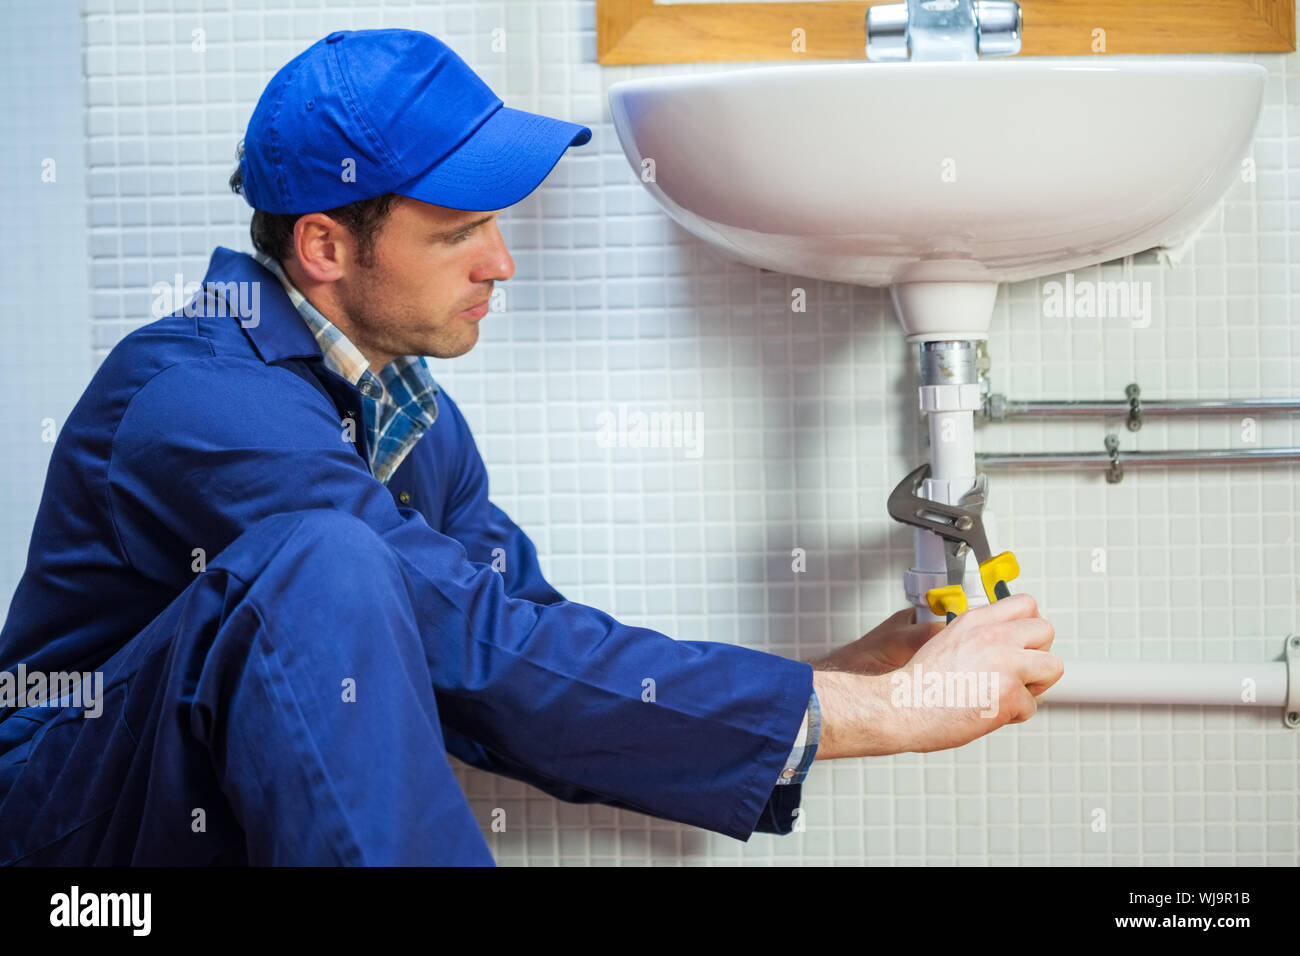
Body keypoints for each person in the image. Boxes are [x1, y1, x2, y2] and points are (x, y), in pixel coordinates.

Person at [0, 28, 1061, 865]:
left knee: (360, 569)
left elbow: (518, 652)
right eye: (460, 231)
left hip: (210, 807)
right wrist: (876, 712)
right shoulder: (198, 398)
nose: (500, 262)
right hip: (74, 834)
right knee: (328, 559)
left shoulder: (407, 413)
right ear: (324, 245)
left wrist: (812, 681)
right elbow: (466, 634)